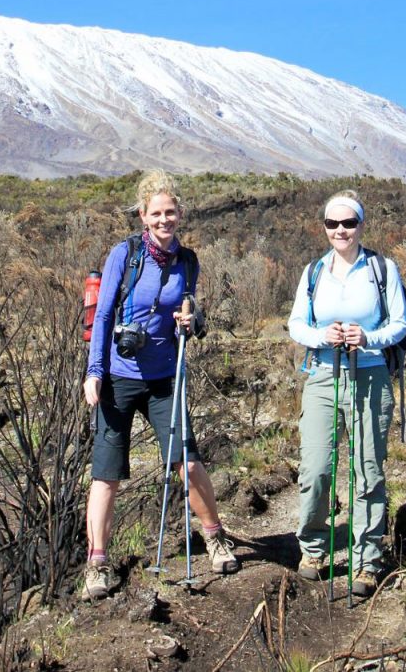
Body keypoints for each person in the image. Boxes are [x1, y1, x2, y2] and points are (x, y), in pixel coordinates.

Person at [83, 171, 238, 601]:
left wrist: (193, 320)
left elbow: (189, 310)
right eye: (155, 213)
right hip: (118, 377)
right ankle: (96, 563)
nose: (164, 220)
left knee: (186, 462)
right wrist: (94, 371)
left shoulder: (187, 261)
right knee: (106, 475)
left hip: (165, 377)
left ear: (180, 214)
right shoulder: (125, 254)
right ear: (142, 215)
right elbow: (102, 317)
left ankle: (215, 537)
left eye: (170, 212)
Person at [287, 190, 406, 597]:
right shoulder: (314, 271)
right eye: (332, 223)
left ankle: (367, 560)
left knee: (367, 470)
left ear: (360, 224)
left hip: (369, 376)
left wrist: (368, 337)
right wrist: (322, 336)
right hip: (322, 376)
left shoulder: (382, 268)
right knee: (316, 468)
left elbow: (400, 325)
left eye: (349, 223)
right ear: (324, 227)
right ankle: (314, 549)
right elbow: (296, 325)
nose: (341, 230)